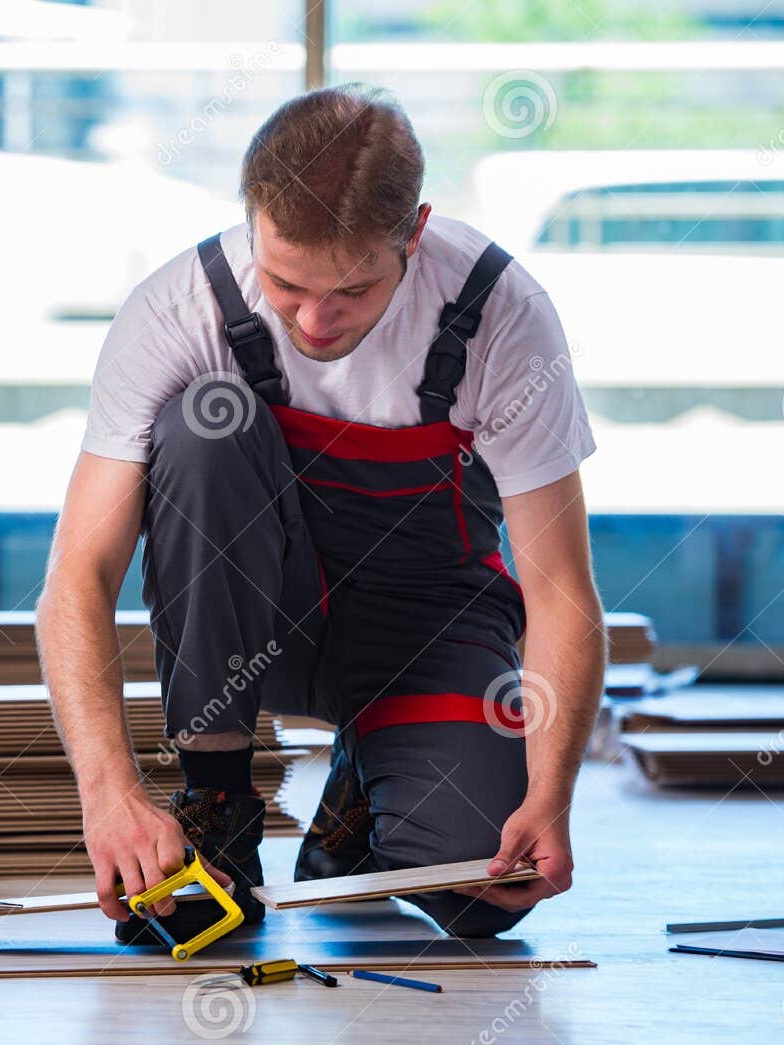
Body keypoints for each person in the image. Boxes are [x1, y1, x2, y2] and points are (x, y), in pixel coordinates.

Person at [36, 84, 606, 943]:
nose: (313, 319)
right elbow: (77, 577)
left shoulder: (502, 316)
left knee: (482, 891)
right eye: (287, 283)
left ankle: (362, 809)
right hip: (255, 630)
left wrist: (548, 799)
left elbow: (561, 589)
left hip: (424, 629)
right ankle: (218, 807)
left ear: (413, 232)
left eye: (351, 291)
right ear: (254, 218)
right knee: (205, 423)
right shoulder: (175, 310)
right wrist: (110, 796)